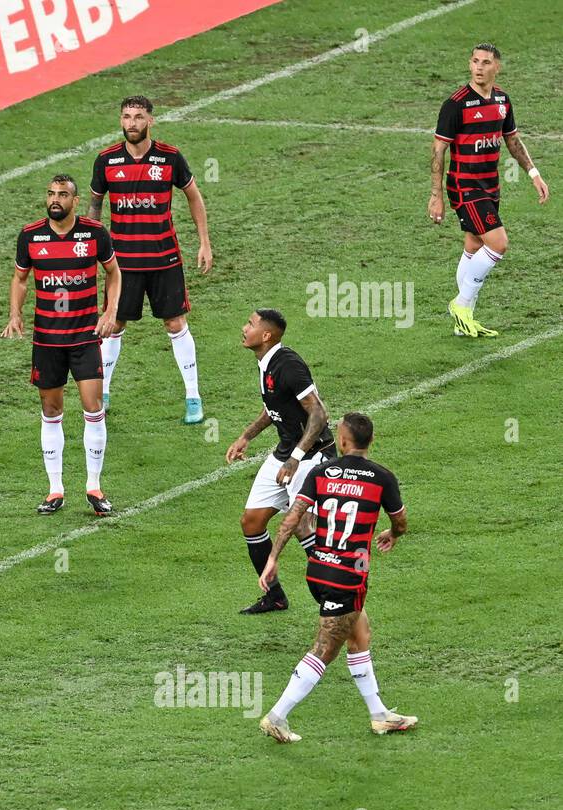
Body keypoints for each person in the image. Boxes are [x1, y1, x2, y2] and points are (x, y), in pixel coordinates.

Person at [257, 413, 416, 742]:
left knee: (360, 633)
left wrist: (273, 558)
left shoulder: (321, 472)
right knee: (325, 649)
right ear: (371, 442)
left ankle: (379, 714)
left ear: (342, 441)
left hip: (318, 569)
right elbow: (400, 522)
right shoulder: (382, 478)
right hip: (347, 578)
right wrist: (392, 533)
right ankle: (277, 716)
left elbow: (294, 518)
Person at [88, 95, 213, 423]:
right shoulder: (106, 160)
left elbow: (194, 197)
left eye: (139, 117)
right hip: (122, 265)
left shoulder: (170, 158)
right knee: (113, 324)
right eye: (127, 117)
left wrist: (204, 242)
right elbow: (95, 206)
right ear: (121, 120)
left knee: (175, 323)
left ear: (150, 121)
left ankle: (193, 398)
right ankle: (103, 393)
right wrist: (91, 246)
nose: (132, 123)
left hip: (163, 259)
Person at [3, 174, 120, 516]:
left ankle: (94, 486)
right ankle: (55, 491)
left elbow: (114, 273)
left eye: (63, 194)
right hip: (47, 340)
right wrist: (15, 314)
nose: (55, 199)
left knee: (92, 406)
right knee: (51, 411)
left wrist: (110, 311)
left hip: (85, 337)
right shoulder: (30, 235)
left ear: (75, 199)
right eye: (51, 193)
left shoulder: (94, 233)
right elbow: (20, 279)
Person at [430, 43, 549, 337]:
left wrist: (534, 173)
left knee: (473, 246)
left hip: (490, 186)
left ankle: (462, 323)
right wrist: (436, 196)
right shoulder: (456, 104)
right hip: (464, 186)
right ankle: (462, 304)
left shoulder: (502, 101)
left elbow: (512, 141)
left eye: (485, 62)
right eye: (474, 61)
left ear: (497, 66)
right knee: (498, 243)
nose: (479, 67)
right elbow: (438, 150)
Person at [227, 309, 335, 614]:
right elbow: (273, 408)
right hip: (286, 451)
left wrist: (296, 459)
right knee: (251, 522)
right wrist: (246, 436)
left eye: (250, 324)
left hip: (311, 454)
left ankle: (332, 595)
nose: (243, 327)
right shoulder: (266, 364)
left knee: (301, 523)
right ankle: (274, 596)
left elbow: (319, 414)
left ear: (266, 336)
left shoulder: (288, 365)